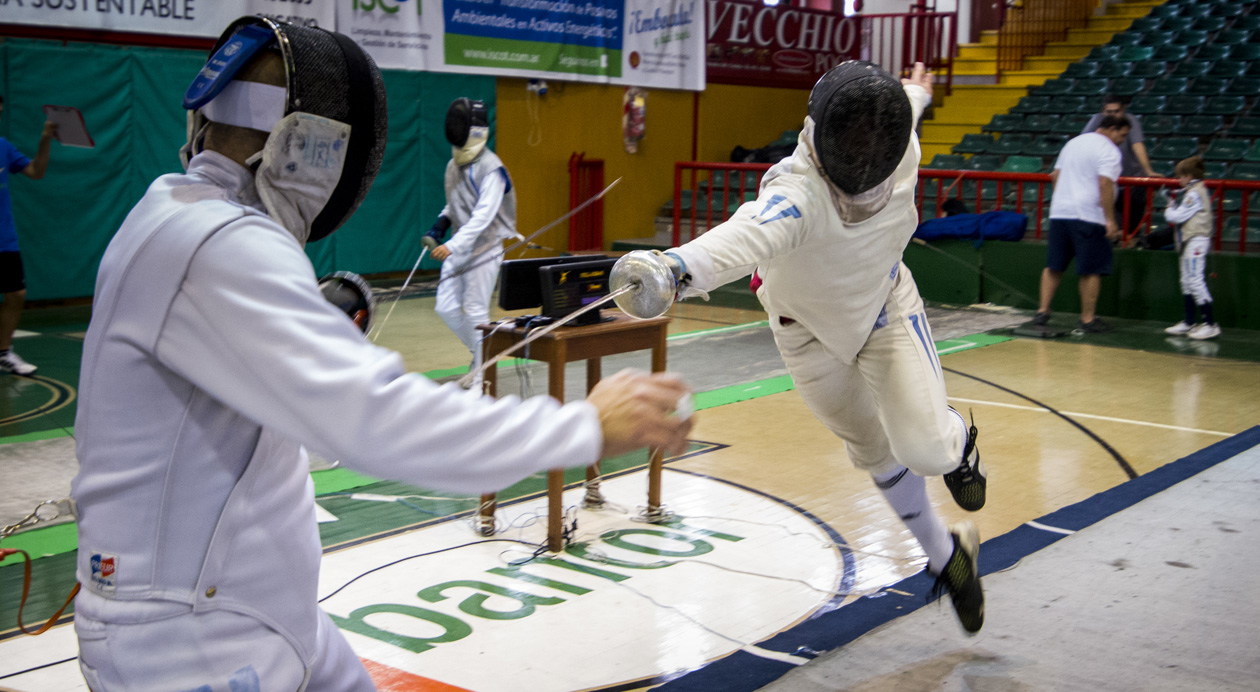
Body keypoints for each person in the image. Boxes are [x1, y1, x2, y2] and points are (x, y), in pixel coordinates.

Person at [69, 17, 692, 691]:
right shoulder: (218, 244)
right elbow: (378, 421)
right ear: (307, 144)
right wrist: (585, 426)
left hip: (262, 615)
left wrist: (307, 343)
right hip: (191, 649)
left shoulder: (173, 212)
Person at [621, 61, 987, 634]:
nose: (866, 147)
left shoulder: (902, 144)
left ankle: (960, 447)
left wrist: (916, 88)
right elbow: (744, 236)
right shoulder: (797, 192)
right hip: (805, 336)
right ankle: (948, 558)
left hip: (885, 311)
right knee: (874, 453)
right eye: (854, 135)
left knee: (929, 450)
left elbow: (905, 106)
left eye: (876, 133)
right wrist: (672, 267)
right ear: (820, 131)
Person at [425, 97, 520, 387]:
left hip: (485, 249)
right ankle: (481, 357)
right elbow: (453, 205)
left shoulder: (492, 170)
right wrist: (439, 227)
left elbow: (482, 217)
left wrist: (451, 245)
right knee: (445, 306)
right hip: (459, 244)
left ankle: (482, 379)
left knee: (476, 310)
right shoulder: (453, 166)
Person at [1035, 115, 1130, 334]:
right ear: (1113, 129)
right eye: (1122, 135)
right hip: (1089, 215)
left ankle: (1042, 311)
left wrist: (1064, 200)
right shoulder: (1109, 150)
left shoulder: (1073, 143)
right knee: (1091, 270)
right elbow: (1105, 183)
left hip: (1060, 212)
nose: (1122, 140)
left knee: (1054, 265)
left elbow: (1054, 175)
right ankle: (1087, 319)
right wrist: (1110, 219)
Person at [0, 95, 57, 376]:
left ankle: (3, 352)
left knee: (16, 295)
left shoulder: (3, 147)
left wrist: (45, 139)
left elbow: (35, 171)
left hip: (5, 240)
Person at [1162, 156, 1221, 340]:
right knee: (1186, 281)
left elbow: (1176, 217)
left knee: (1195, 281)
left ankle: (1210, 324)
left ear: (1188, 176)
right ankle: (1189, 322)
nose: (1179, 180)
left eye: (1181, 176)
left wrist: (1169, 208)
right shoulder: (1192, 191)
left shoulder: (1195, 193)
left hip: (1196, 241)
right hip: (1189, 241)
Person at [1081, 95, 1156, 236]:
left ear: (1123, 110)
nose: (1113, 116)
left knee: (1129, 228)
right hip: (1109, 182)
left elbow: (1137, 145)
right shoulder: (1097, 120)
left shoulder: (1129, 121)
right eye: (1109, 112)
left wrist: (1148, 171)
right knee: (1110, 227)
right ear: (1104, 111)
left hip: (1132, 181)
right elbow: (1083, 141)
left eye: (1117, 112)